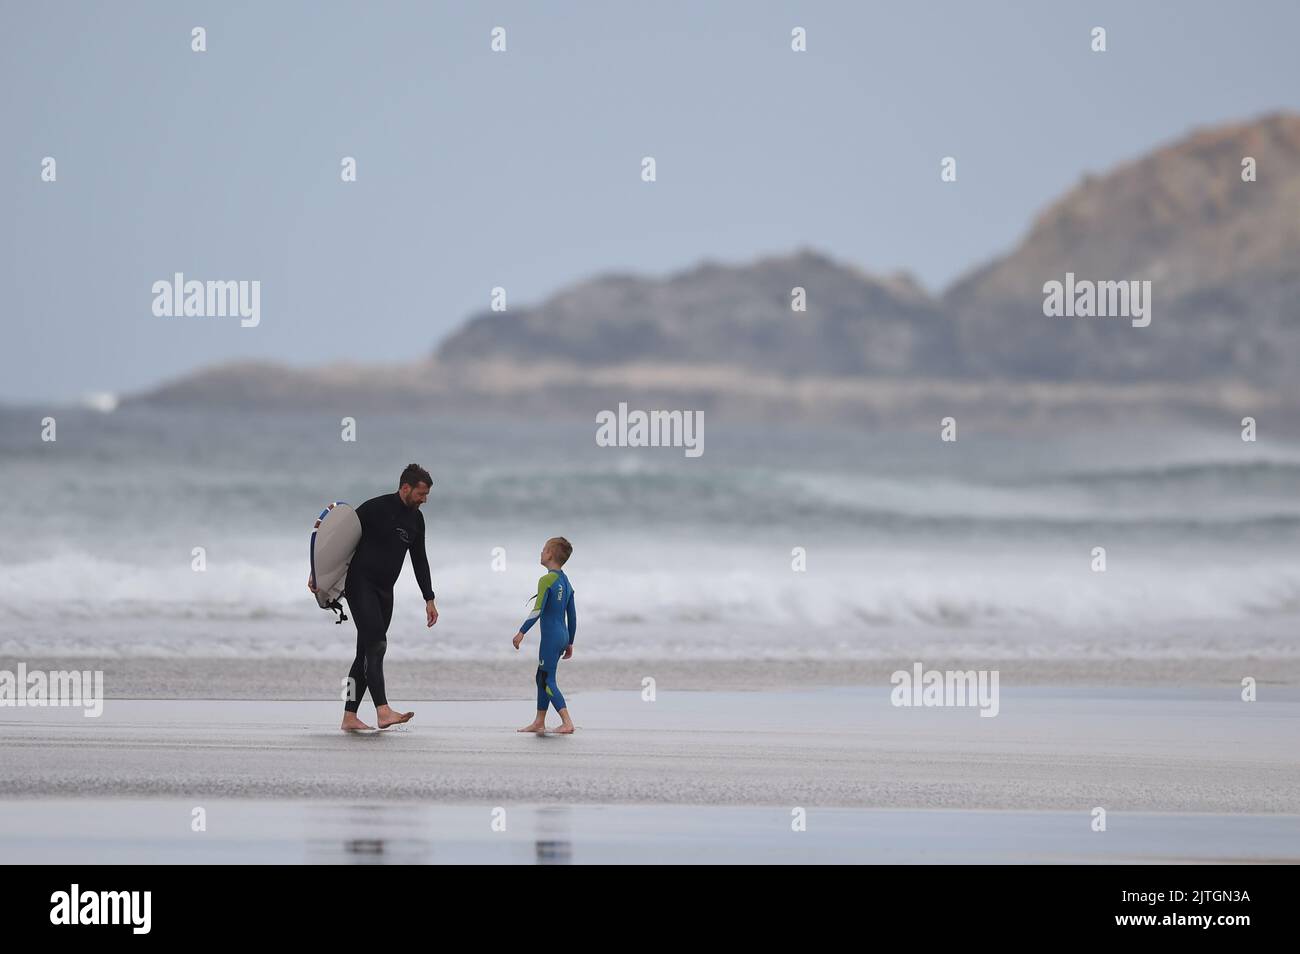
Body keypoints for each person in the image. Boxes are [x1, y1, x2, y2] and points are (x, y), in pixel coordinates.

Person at [311, 463, 439, 731]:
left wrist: (429, 598)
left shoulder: (416, 520)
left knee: (366, 654)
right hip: (361, 584)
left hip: (385, 591)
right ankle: (383, 711)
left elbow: (419, 560)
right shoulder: (374, 508)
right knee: (377, 645)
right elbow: (338, 541)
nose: (424, 500)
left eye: (426, 495)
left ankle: (349, 717)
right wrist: (317, 573)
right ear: (406, 488)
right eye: (421, 494)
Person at [512, 537, 577, 734]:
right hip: (562, 636)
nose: (540, 553)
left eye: (543, 550)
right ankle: (539, 721)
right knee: (542, 676)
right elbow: (572, 615)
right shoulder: (565, 581)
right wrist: (570, 642)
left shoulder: (546, 580)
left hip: (550, 638)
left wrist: (521, 631)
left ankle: (567, 721)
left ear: (549, 554)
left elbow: (537, 610)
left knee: (548, 679)